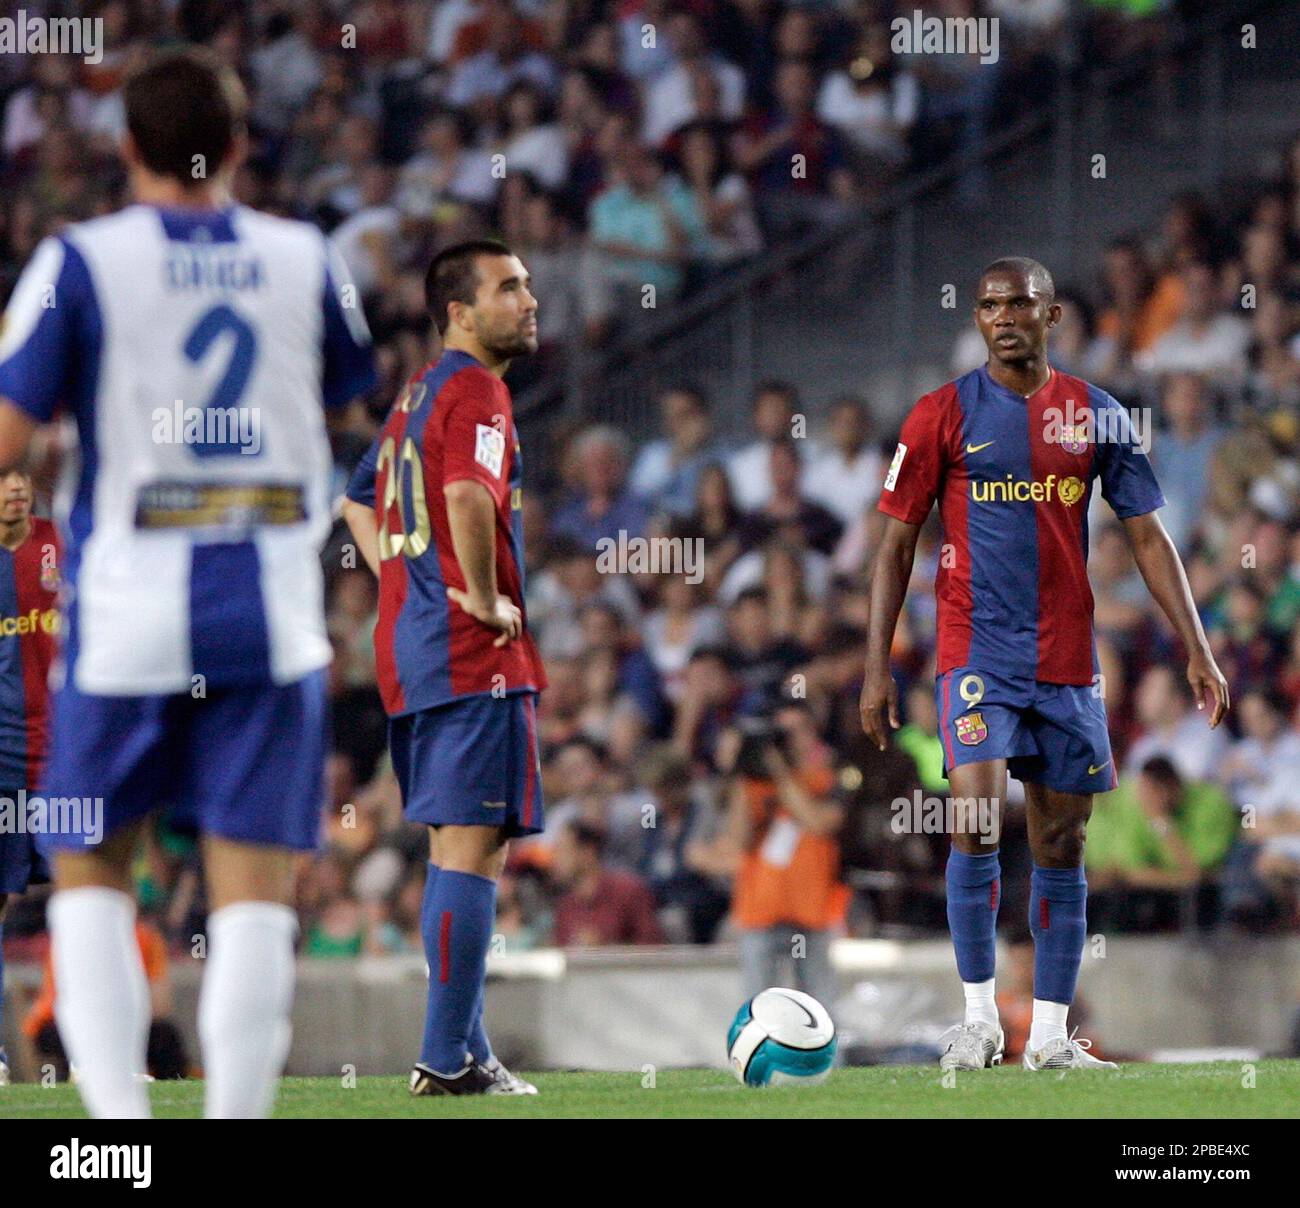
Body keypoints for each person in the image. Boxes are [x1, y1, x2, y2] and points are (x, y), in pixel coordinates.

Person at [0, 47, 376, 1119]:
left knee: (90, 869)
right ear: (244, 146)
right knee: (253, 891)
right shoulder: (308, 256)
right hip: (269, 616)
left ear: (125, 150)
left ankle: (122, 1131)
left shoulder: (80, 263)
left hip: (123, 620)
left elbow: (6, 434)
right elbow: (351, 392)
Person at [860, 256, 1229, 1073]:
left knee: (1061, 841)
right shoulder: (939, 414)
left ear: (1052, 315)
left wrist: (1197, 645)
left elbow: (1146, 535)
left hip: (1066, 656)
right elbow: (893, 546)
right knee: (977, 819)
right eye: (989, 305)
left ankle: (1054, 1037)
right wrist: (876, 666)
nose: (1003, 317)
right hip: (975, 650)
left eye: (1019, 304)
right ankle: (979, 1019)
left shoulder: (1097, 415)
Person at [343, 238, 546, 1096]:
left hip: (412, 651)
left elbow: (355, 500)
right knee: (472, 848)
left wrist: (406, 579)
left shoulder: (414, 397)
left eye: (528, 285)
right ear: (459, 311)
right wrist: (478, 596)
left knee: (461, 847)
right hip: (468, 655)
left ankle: (467, 1049)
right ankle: (443, 1058)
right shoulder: (477, 391)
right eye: (509, 288)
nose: (529, 300)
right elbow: (466, 495)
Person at [0, 469, 60, 1086]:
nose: (14, 486)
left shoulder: (59, 543)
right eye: (0, 478)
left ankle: (114, 1057)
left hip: (68, 760)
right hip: (1, 760)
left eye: (18, 473)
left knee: (96, 894)